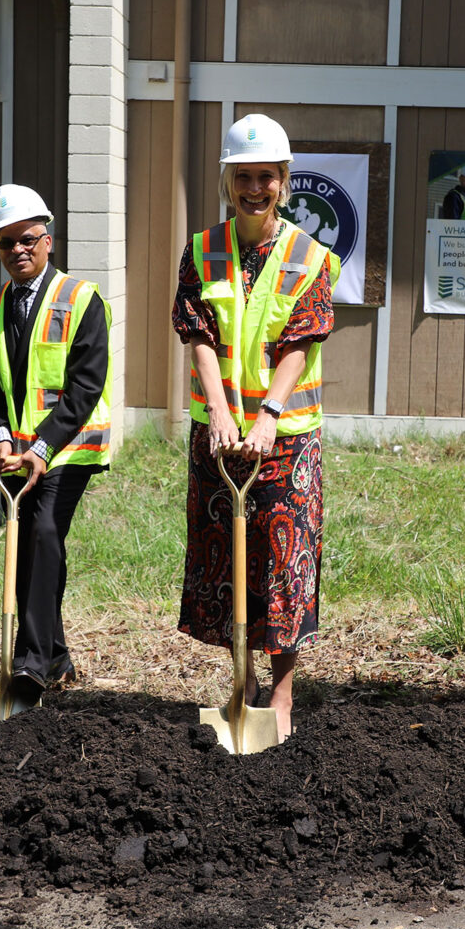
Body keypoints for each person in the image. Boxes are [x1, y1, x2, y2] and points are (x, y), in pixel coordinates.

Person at [171, 113, 339, 741]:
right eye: (243, 177)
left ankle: (283, 690)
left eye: (266, 177)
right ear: (227, 181)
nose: (254, 189)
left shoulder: (309, 256)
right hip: (218, 435)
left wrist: (268, 414)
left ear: (284, 181)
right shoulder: (201, 249)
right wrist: (218, 409)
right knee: (227, 561)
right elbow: (198, 333)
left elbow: (301, 341)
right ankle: (241, 683)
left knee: (283, 562)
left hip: (285, 435)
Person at [0, 184, 112, 705]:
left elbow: (87, 385)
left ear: (48, 241)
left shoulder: (81, 299)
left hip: (68, 446)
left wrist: (43, 447)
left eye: (27, 239)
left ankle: (29, 663)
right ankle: (55, 655)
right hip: (17, 453)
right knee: (30, 542)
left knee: (44, 532)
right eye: (6, 242)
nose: (17, 250)